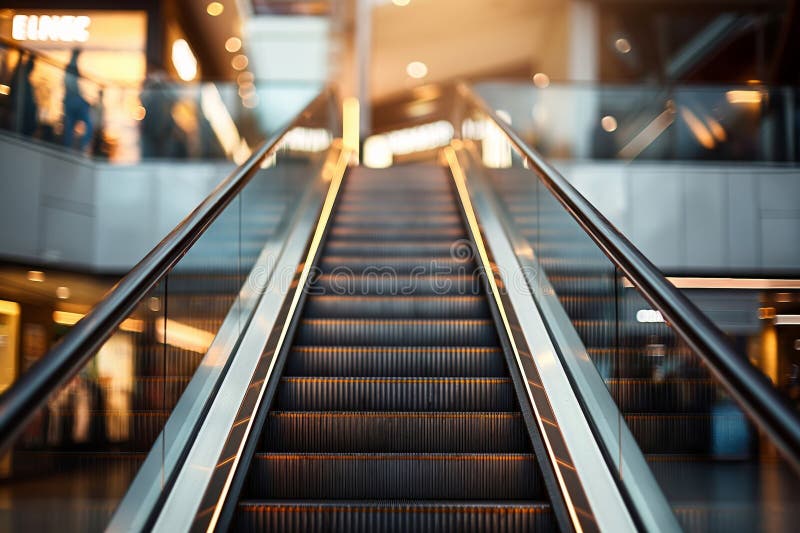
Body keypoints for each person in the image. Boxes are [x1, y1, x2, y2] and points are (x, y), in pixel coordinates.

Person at [62, 49, 93, 152]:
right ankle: (79, 145)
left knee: (70, 126)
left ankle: (72, 147)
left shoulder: (71, 67)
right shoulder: (71, 68)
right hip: (73, 101)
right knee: (85, 124)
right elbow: (71, 86)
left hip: (71, 101)